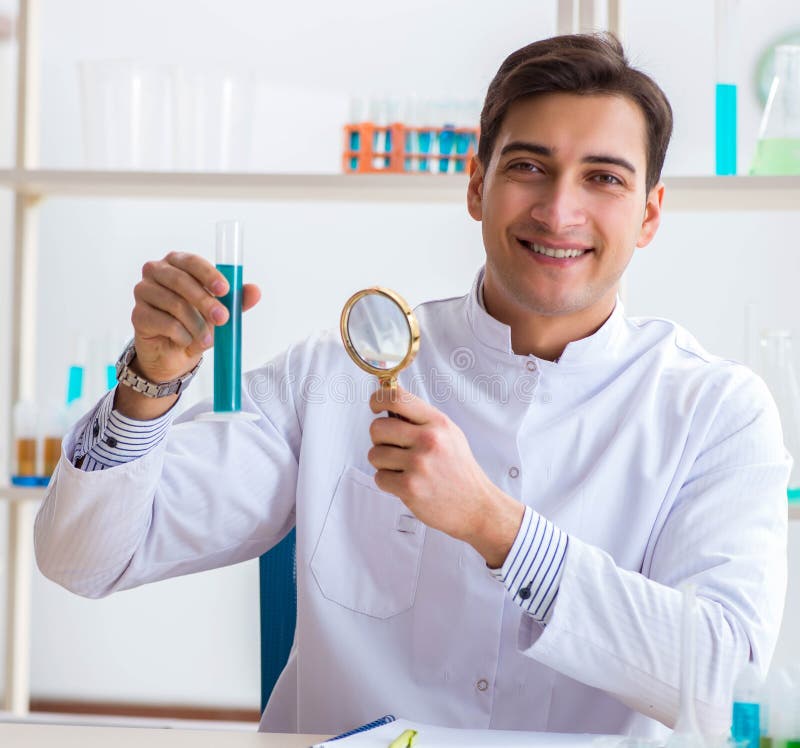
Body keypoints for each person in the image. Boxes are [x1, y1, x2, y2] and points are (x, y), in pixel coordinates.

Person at [35, 33, 789, 740]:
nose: (560, 210)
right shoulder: (330, 378)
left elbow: (723, 675)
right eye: (528, 166)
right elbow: (86, 557)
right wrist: (149, 381)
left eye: (603, 178)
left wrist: (499, 529)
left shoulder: (716, 413)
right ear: (476, 186)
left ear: (649, 214)